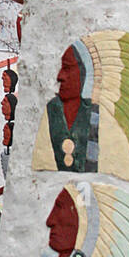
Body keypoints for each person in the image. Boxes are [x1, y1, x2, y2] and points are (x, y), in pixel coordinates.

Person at [32, 44, 99, 173]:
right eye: (58, 69)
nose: (60, 76)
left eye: (67, 68)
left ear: (82, 72)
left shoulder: (95, 114)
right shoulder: (49, 111)